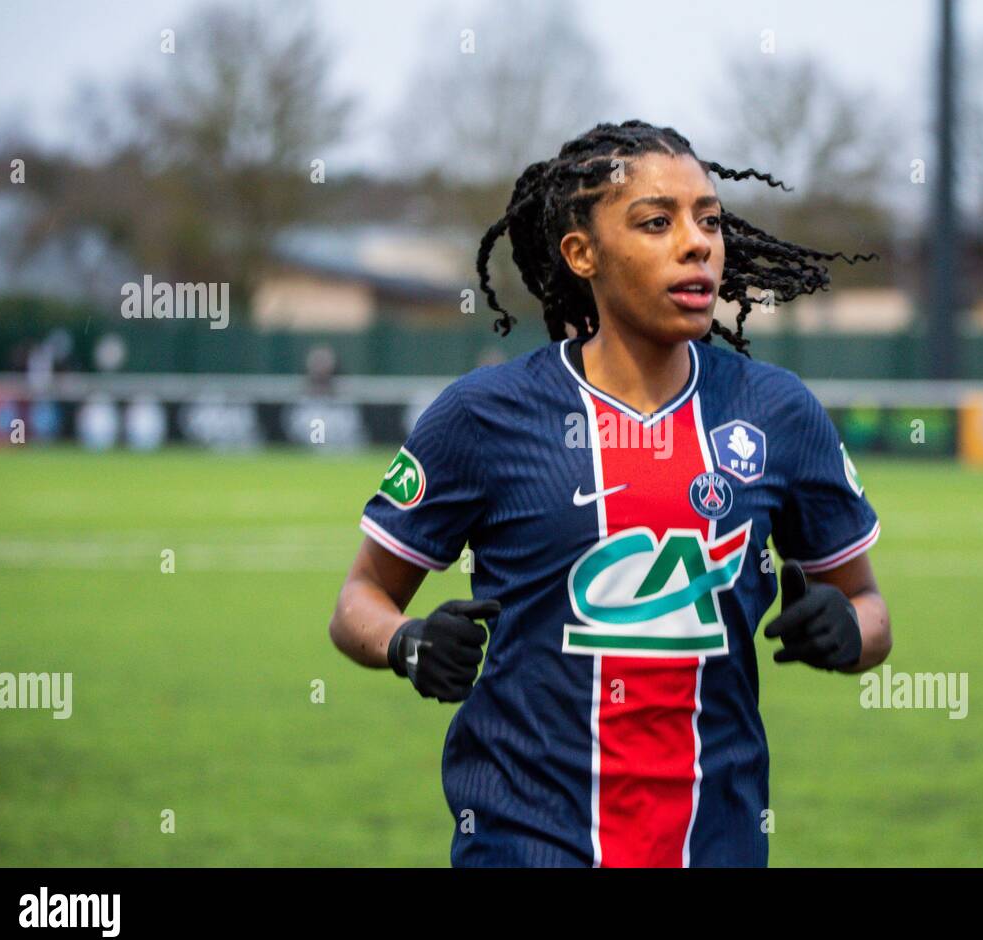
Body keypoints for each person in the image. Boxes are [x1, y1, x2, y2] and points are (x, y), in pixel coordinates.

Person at [329, 120, 892, 867]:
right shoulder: (482, 415)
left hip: (715, 847)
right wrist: (408, 641)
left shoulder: (778, 412)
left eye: (710, 220)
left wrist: (849, 632)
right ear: (581, 253)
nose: (697, 243)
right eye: (657, 222)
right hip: (524, 847)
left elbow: (871, 609)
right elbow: (359, 598)